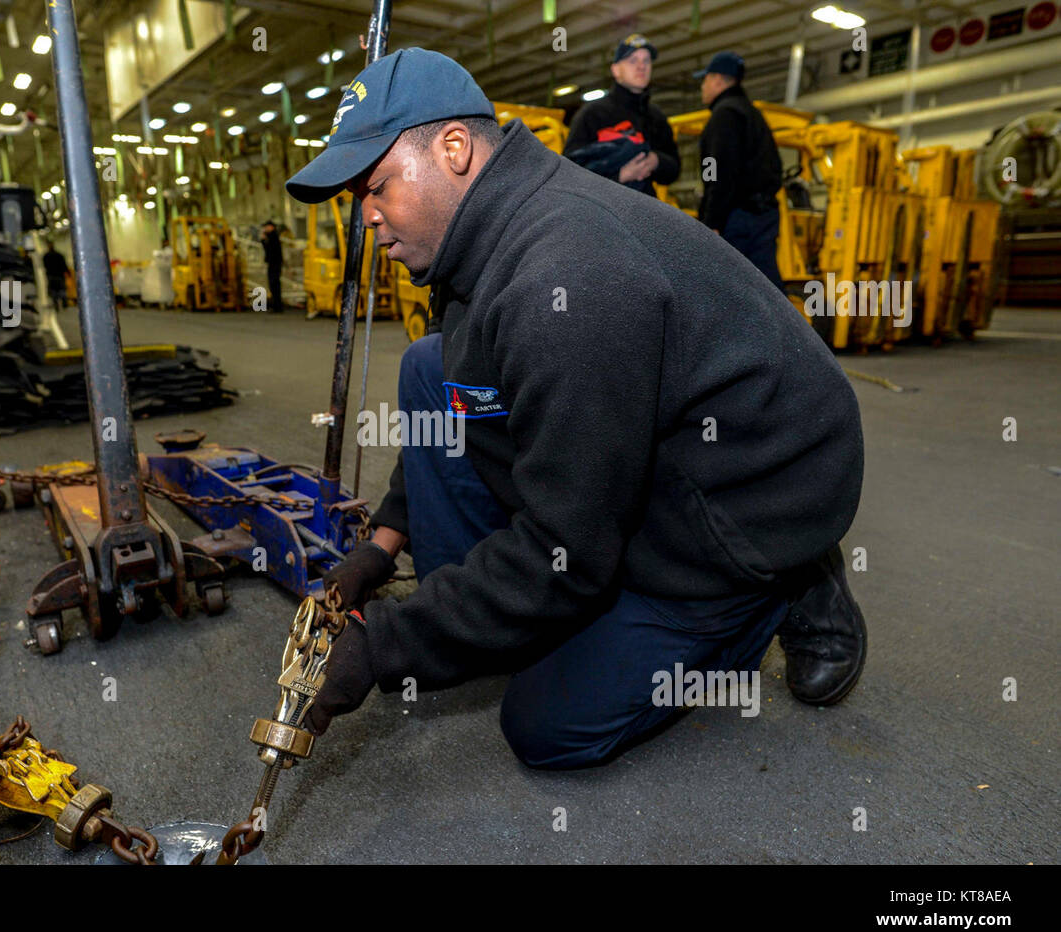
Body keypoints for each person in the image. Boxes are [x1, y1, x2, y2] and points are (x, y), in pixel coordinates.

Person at [285, 48, 866, 770]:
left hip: (750, 495)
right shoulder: (486, 237)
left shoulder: (563, 276)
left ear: (455, 149)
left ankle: (783, 587)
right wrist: (381, 546)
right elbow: (466, 395)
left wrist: (381, 651)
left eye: (376, 188)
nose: (367, 218)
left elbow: (570, 553)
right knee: (431, 367)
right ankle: (508, 606)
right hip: (650, 431)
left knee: (548, 724)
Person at [695, 51, 784, 289]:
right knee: (765, 288)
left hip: (736, 219)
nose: (703, 87)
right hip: (764, 215)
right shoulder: (752, 114)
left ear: (716, 79)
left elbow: (718, 172)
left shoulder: (724, 115)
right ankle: (782, 327)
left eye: (704, 80)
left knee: (729, 291)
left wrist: (712, 221)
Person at [563, 34, 679, 197]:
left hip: (646, 211)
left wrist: (656, 160)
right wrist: (620, 177)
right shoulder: (592, 114)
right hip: (602, 213)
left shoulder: (656, 117)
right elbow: (569, 173)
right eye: (632, 60)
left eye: (646, 61)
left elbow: (674, 170)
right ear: (615, 70)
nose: (641, 66)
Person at [260, 220, 284, 312]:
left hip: (274, 263)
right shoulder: (273, 236)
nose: (265, 229)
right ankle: (276, 305)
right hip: (274, 263)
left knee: (274, 284)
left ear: (271, 227)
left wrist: (263, 239)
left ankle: (277, 306)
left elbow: (268, 249)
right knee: (274, 284)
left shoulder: (273, 236)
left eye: (266, 227)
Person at [42, 243, 71, 308]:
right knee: (62, 289)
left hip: (51, 275)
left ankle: (56, 303)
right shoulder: (59, 255)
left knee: (53, 290)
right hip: (59, 275)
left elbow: (45, 266)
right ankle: (64, 302)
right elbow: (64, 265)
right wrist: (68, 273)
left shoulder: (46, 256)